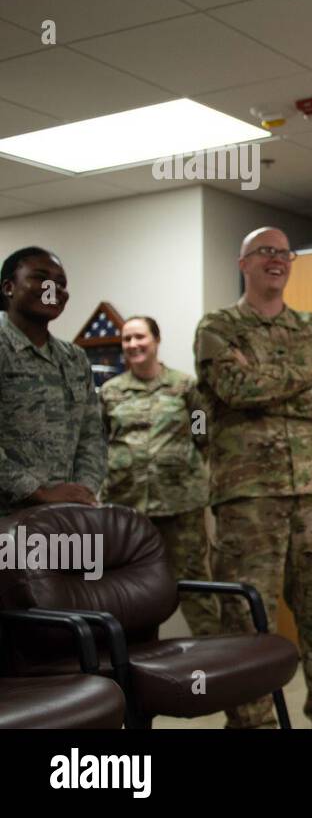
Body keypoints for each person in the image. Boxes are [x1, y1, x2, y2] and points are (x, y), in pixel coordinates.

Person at [193, 227, 312, 729]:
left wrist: (266, 383)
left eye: (283, 253)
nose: (276, 259)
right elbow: (231, 384)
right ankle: (252, 721)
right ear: (243, 263)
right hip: (248, 498)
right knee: (246, 617)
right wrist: (305, 374)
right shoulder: (218, 326)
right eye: (264, 251)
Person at [101, 316, 219, 636]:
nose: (133, 345)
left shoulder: (184, 386)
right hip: (127, 507)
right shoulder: (110, 392)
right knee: (129, 586)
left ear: (156, 340)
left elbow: (203, 434)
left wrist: (179, 465)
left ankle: (214, 655)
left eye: (139, 337)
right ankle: (133, 655)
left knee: (194, 583)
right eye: (126, 339)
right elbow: (100, 441)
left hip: (180, 504)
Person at [0, 246, 104, 514]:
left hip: (64, 515)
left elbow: (92, 435)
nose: (54, 288)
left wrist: (82, 491)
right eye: (41, 277)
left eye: (61, 283)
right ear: (9, 287)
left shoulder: (75, 358)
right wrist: (39, 493)